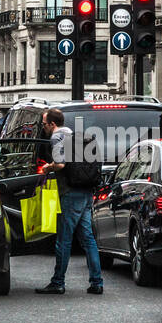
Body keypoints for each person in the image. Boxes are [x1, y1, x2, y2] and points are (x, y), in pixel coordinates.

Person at [35, 108, 104, 296]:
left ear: (52, 124)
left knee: (63, 240)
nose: (44, 127)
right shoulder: (74, 135)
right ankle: (97, 282)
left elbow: (61, 164)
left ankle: (58, 282)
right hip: (86, 191)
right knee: (88, 239)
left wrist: (47, 168)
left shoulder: (56, 138)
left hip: (70, 192)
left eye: (44, 124)